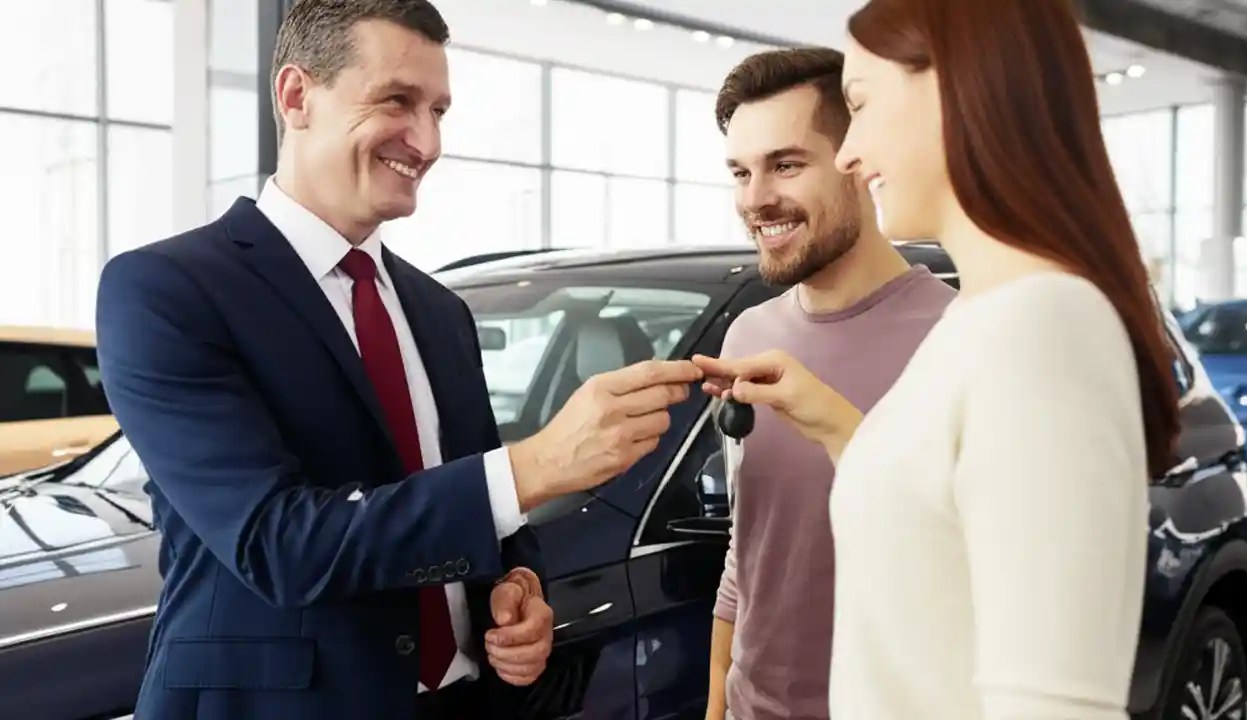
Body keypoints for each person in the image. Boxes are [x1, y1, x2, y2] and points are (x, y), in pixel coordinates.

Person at [94, 2, 700, 719]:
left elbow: (482, 512)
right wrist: (538, 465)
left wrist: (517, 590)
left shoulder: (438, 312)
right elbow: (276, 543)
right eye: (397, 101)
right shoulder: (168, 290)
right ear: (296, 96)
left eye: (439, 109)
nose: (428, 140)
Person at [694, 0, 1182, 717]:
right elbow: (921, 532)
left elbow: (1050, 706)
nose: (854, 154)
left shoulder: (1044, 328)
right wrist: (828, 420)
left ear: (955, 92)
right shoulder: (985, 325)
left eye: (860, 105)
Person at [702, 48, 955, 720]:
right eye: (740, 172)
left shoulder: (961, 339)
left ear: (859, 163)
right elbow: (749, 545)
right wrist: (718, 700)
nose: (756, 198)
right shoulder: (747, 338)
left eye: (785, 165)